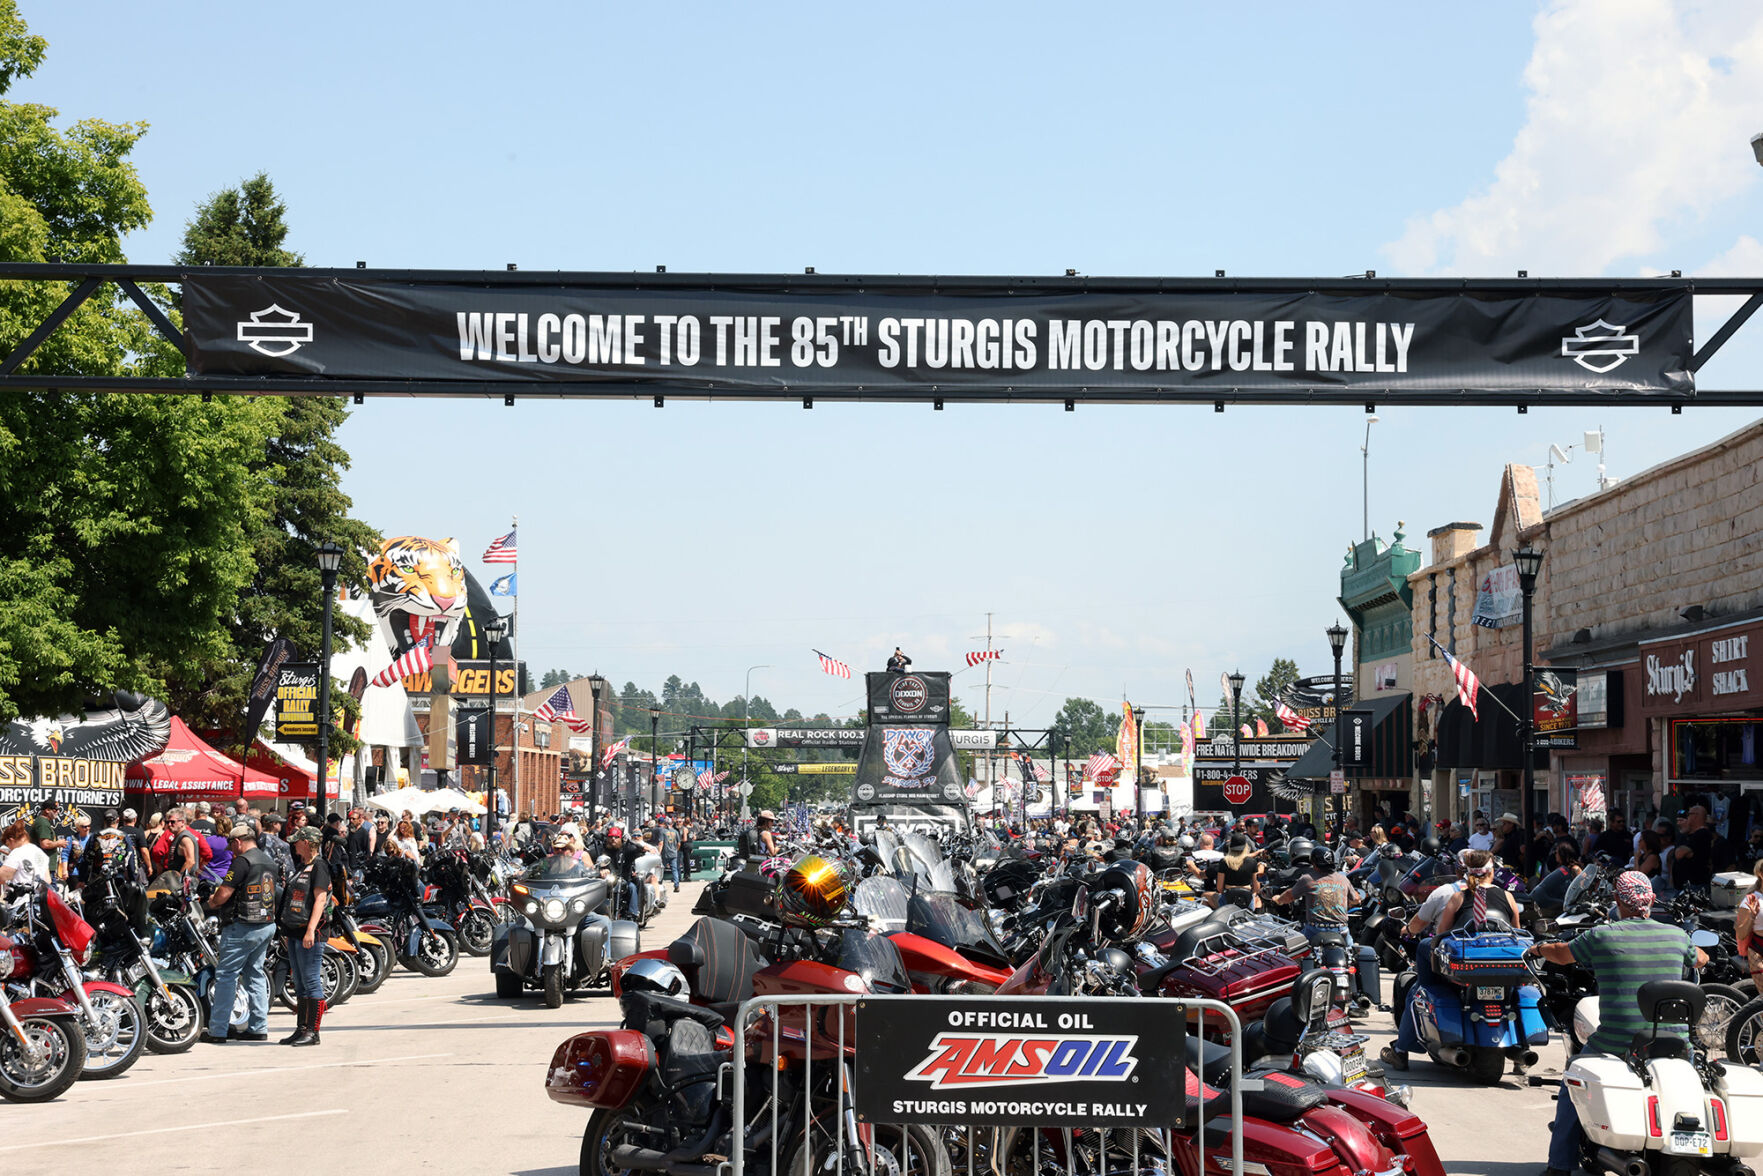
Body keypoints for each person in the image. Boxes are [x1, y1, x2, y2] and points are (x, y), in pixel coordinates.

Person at [1530, 871, 1705, 1176]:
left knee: (1573, 1082)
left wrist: (1538, 949)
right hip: (1676, 1045)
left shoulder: (1603, 935)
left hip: (1617, 1042)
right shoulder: (1678, 936)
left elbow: (1562, 954)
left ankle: (1559, 1165)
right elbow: (1699, 958)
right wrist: (1697, 953)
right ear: (1651, 900)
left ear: (1617, 901)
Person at [200, 820, 279, 1044]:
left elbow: (223, 894)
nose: (231, 852)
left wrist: (210, 902)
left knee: (226, 976)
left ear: (237, 842)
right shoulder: (268, 861)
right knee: (254, 974)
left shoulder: (243, 862)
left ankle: (217, 1030)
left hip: (242, 925)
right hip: (265, 924)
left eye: (231, 846)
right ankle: (258, 1027)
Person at [278, 827, 331, 1046]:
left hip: (311, 932)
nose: (294, 845)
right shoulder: (303, 866)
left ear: (307, 843)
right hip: (295, 930)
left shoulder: (319, 866)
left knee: (310, 981)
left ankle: (313, 1032)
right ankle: (301, 1028)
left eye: (297, 841)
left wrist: (311, 929)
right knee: (299, 982)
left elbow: (320, 899)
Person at [595, 825, 656, 918]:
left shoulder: (626, 848)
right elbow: (590, 860)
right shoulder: (601, 849)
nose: (613, 839)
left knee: (632, 888)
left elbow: (636, 851)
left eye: (616, 837)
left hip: (624, 880)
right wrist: (599, 869)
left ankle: (634, 913)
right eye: (611, 837)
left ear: (621, 838)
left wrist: (642, 849)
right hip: (606, 881)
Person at [1210, 832, 1262, 910]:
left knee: (1204, 895)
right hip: (1247, 898)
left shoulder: (1224, 862)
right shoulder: (1252, 862)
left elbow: (1219, 888)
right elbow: (1257, 888)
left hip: (1228, 898)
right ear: (1245, 847)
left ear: (1230, 846)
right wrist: (1253, 895)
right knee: (1258, 900)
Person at [1672, 803, 1716, 889]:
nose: (1687, 817)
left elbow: (1679, 853)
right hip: (1685, 886)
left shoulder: (1701, 834)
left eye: (1689, 814)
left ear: (1695, 816)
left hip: (1694, 886)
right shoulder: (1690, 835)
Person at [1736, 856, 1763, 992]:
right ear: (1761, 874)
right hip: (1758, 950)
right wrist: (1752, 917)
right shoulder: (1751, 900)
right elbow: (1741, 934)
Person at [0, 820, 52, 889]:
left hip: (21, 898)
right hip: (39, 897)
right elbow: (48, 880)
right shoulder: (41, 853)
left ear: (11, 840)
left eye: (8, 845)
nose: (10, 848)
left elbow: (3, 878)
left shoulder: (17, 853)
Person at [657, 816, 684, 892]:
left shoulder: (663, 832)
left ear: (665, 824)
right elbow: (679, 843)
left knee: (661, 869)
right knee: (674, 870)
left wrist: (658, 853)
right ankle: (676, 885)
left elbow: (661, 843)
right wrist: (676, 850)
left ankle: (659, 884)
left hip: (665, 853)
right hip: (673, 853)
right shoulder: (675, 832)